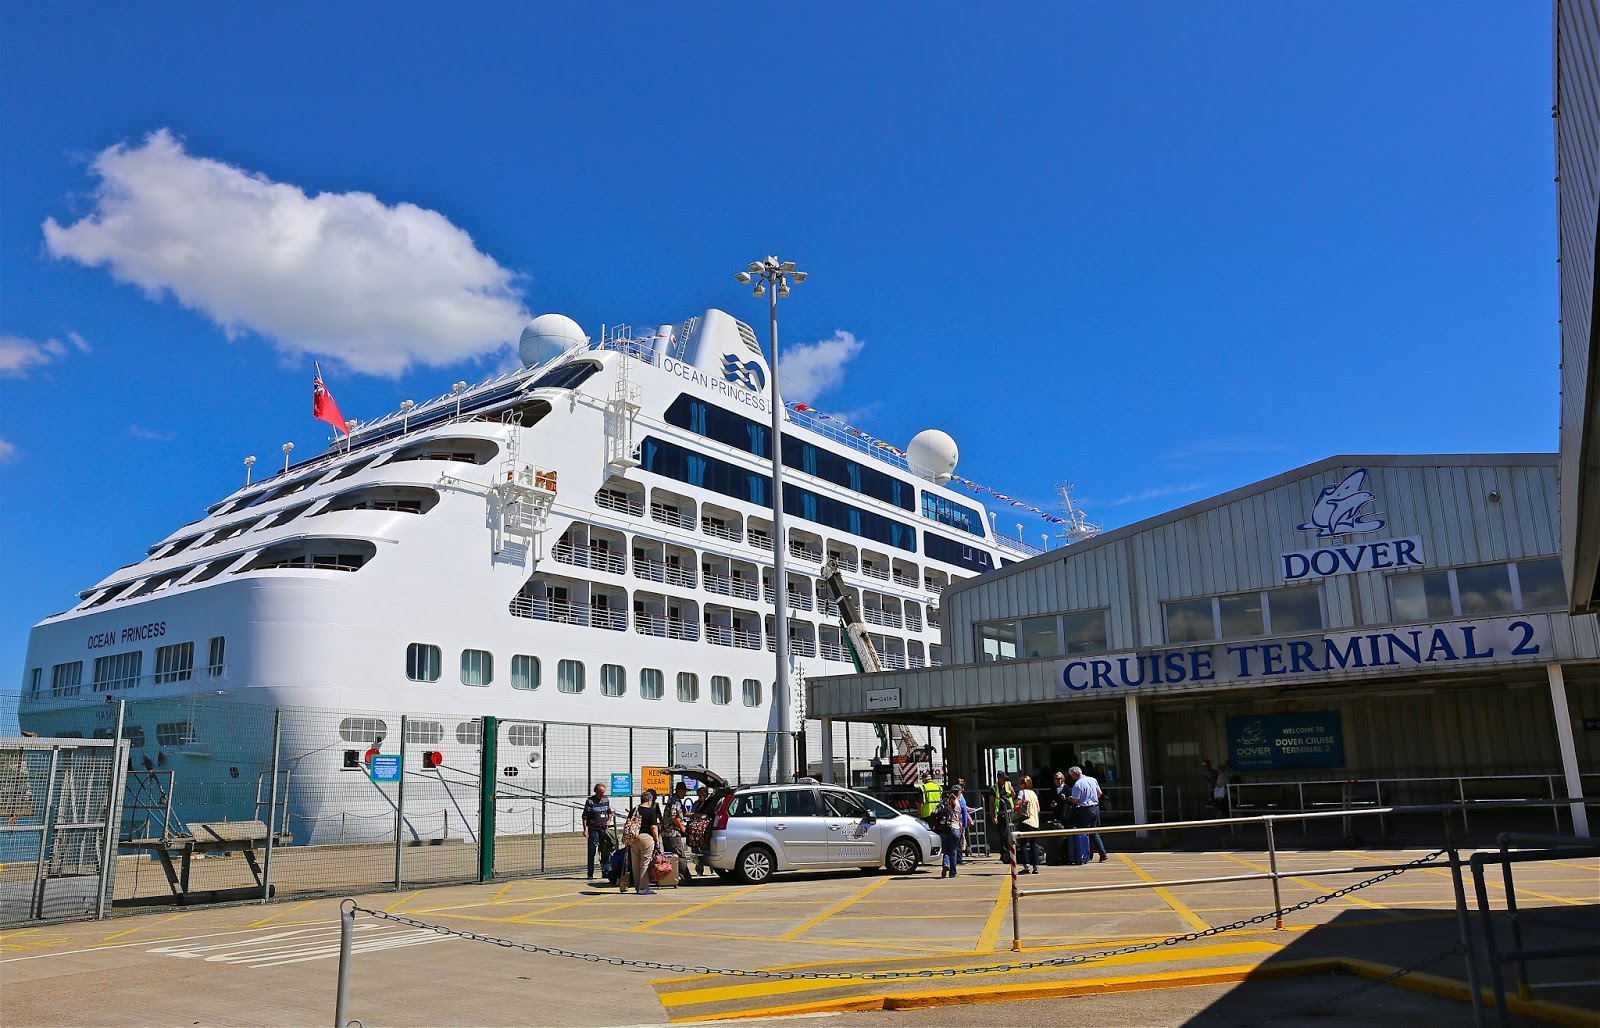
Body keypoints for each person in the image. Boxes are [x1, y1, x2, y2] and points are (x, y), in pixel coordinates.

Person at [1068, 766, 1108, 862]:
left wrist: (1069, 798)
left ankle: (1085, 854)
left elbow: (1076, 799)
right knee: (1093, 831)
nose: (1071, 777)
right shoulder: (1092, 780)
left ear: (1075, 774)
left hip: (1085, 809)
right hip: (1095, 807)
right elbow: (1099, 793)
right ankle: (1101, 853)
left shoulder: (1078, 784)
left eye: (1071, 775)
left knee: (1084, 832)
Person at [630, 788, 662, 895]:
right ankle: (643, 888)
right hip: (646, 838)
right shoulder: (651, 810)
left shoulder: (634, 809)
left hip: (634, 838)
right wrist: (656, 839)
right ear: (649, 800)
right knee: (645, 863)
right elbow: (653, 827)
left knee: (635, 863)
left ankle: (638, 887)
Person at [662, 782, 695, 880]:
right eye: (685, 791)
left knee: (669, 856)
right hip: (673, 833)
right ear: (680, 790)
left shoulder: (673, 800)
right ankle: (687, 879)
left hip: (666, 833)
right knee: (680, 856)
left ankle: (671, 878)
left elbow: (683, 813)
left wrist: (696, 815)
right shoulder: (676, 801)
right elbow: (674, 817)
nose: (685, 794)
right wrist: (682, 828)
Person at [582, 783, 614, 880]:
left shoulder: (606, 799)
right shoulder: (590, 801)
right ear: (596, 792)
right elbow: (585, 816)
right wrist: (585, 830)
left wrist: (609, 820)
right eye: (601, 792)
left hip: (604, 829)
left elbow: (609, 811)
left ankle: (606, 872)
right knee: (592, 851)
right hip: (593, 829)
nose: (602, 794)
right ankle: (590, 873)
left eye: (603, 792)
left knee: (606, 850)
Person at [1050, 771, 1081, 865]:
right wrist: (1051, 804)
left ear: (1063, 780)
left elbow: (1074, 802)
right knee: (1058, 838)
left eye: (1060, 779)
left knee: (1067, 837)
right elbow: (1047, 801)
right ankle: (1058, 856)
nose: (1058, 781)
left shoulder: (1068, 789)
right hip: (1057, 816)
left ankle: (1068, 856)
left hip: (1067, 816)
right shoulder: (1052, 789)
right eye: (1056, 779)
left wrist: (1066, 799)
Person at [1014, 774, 1041, 874]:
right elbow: (1038, 809)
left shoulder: (1022, 792)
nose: (1020, 785)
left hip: (1025, 820)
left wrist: (1015, 807)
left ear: (1026, 784)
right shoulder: (1034, 794)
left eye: (1022, 783)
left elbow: (1018, 804)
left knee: (1023, 844)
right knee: (1033, 844)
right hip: (1034, 822)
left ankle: (1026, 865)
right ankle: (1036, 866)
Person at [932, 791, 961, 878]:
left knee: (946, 850)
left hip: (944, 830)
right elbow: (963, 812)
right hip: (955, 828)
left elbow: (934, 812)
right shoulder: (957, 804)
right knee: (953, 851)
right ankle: (952, 873)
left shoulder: (942, 805)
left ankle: (945, 864)